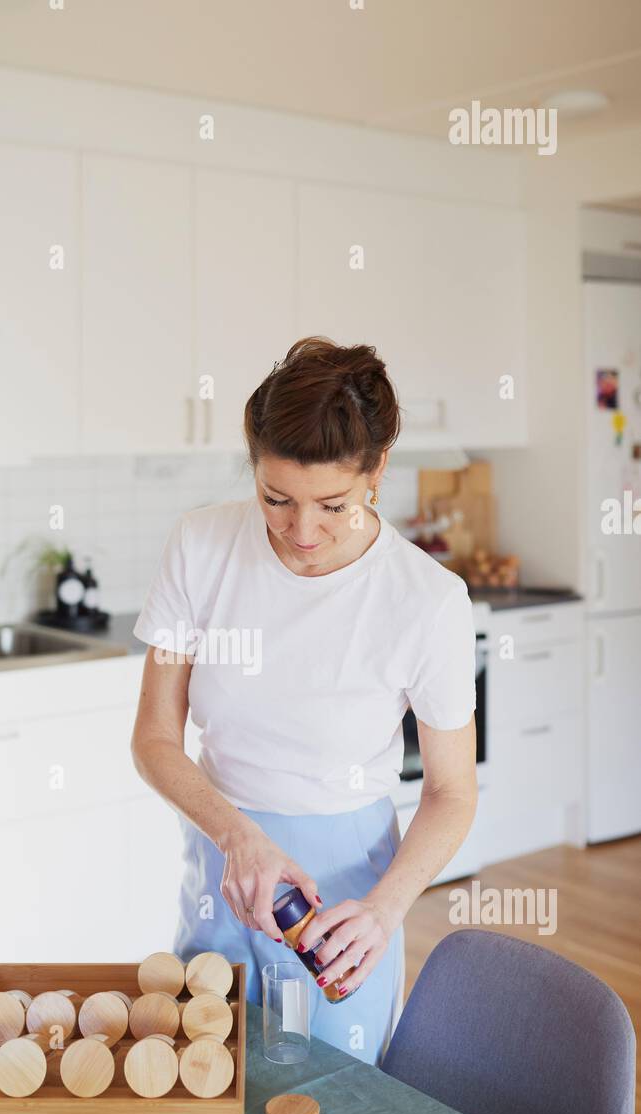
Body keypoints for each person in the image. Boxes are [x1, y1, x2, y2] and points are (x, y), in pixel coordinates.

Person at [131, 337, 478, 1064]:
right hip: (221, 867)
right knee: (203, 1084)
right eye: (275, 498)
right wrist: (237, 837)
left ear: (377, 469)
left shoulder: (427, 600)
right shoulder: (201, 545)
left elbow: (452, 791)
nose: (301, 531)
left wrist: (384, 910)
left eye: (332, 505)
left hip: (346, 901)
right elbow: (155, 739)